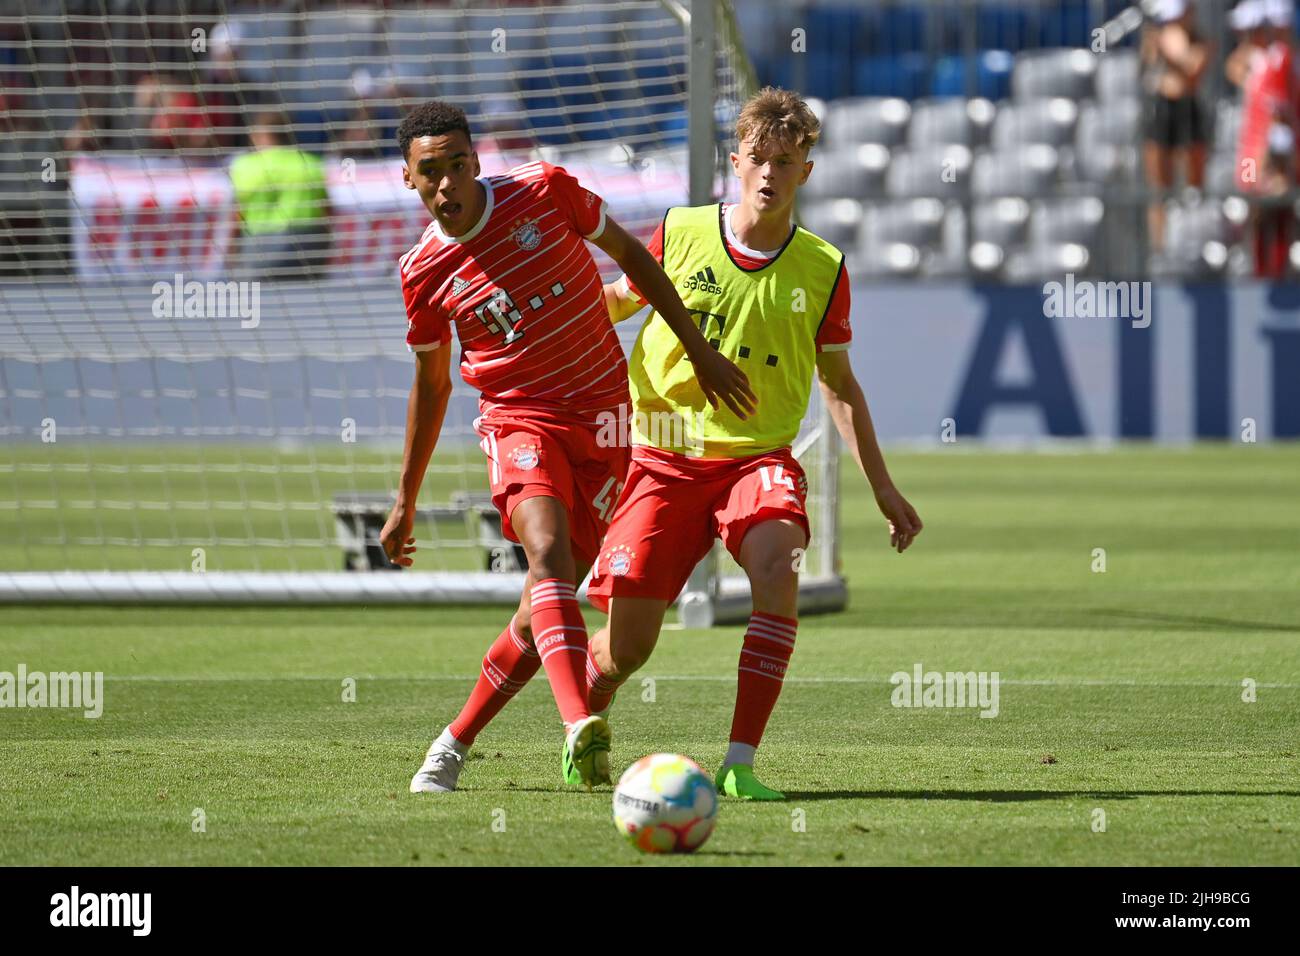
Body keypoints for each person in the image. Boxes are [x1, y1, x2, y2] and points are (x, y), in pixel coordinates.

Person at [383, 102, 754, 793]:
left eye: (457, 167)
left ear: (475, 162)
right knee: (547, 554)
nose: (446, 186)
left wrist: (699, 352)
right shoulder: (422, 273)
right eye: (429, 173)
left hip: (607, 425)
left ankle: (452, 743)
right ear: (408, 179)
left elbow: (632, 256)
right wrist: (405, 498)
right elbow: (432, 386)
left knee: (540, 608)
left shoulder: (546, 191)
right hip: (521, 421)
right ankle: (578, 724)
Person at [583, 88, 923, 801]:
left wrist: (884, 489)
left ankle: (740, 763)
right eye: (758, 158)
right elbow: (617, 300)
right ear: (734, 161)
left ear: (806, 169)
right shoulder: (681, 232)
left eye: (786, 160)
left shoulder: (823, 268)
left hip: (759, 457)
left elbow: (839, 385)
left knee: (777, 567)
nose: (769, 172)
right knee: (628, 648)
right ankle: (589, 698)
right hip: (663, 456)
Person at [1140, 0, 1211, 253]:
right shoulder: (1157, 38)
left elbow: (1192, 70)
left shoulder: (1202, 42)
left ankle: (1193, 246)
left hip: (1189, 112)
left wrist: (1171, 48)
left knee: (1193, 188)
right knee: (1160, 190)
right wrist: (1158, 44)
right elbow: (1146, 65)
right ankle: (1161, 250)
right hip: (1163, 111)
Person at [228, 110, 332, 279]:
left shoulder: (244, 167)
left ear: (258, 135)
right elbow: (327, 212)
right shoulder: (312, 164)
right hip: (307, 247)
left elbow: (236, 214)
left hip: (260, 248)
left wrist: (231, 251)